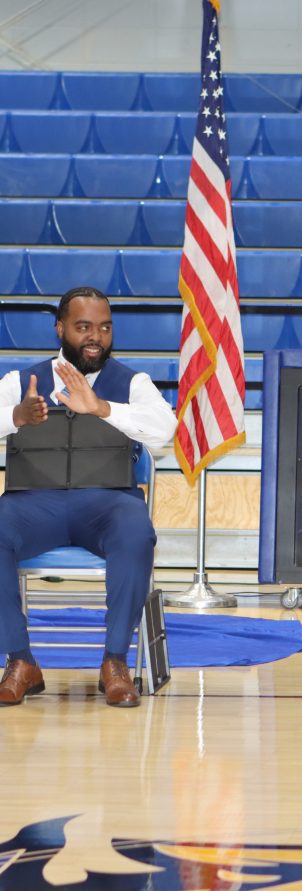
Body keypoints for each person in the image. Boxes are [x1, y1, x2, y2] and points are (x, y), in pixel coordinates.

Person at [0, 287, 176, 707]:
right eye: (83, 327)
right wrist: (16, 417)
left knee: (137, 532)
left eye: (104, 327)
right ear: (60, 329)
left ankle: (114, 662)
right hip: (33, 505)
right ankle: (21, 661)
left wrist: (102, 408)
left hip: (108, 504)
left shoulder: (133, 383)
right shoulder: (20, 380)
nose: (95, 336)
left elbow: (165, 430)